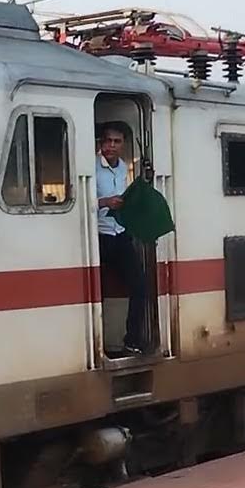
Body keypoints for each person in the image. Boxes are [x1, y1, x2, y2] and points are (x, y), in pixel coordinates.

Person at [95, 122, 148, 355]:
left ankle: (132, 340)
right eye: (108, 141)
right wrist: (105, 202)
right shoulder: (91, 167)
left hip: (120, 233)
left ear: (123, 145)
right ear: (100, 142)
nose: (111, 146)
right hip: (98, 236)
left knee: (140, 286)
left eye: (117, 142)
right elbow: (77, 201)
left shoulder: (123, 168)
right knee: (94, 291)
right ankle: (97, 344)